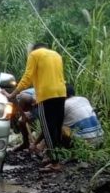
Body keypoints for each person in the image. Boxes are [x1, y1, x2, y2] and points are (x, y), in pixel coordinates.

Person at [5, 42, 67, 172]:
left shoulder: (34, 54)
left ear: (33, 50)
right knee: (56, 126)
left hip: (46, 95)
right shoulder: (56, 55)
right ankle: (53, 157)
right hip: (61, 93)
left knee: (47, 128)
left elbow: (27, 77)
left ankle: (55, 163)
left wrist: (13, 94)